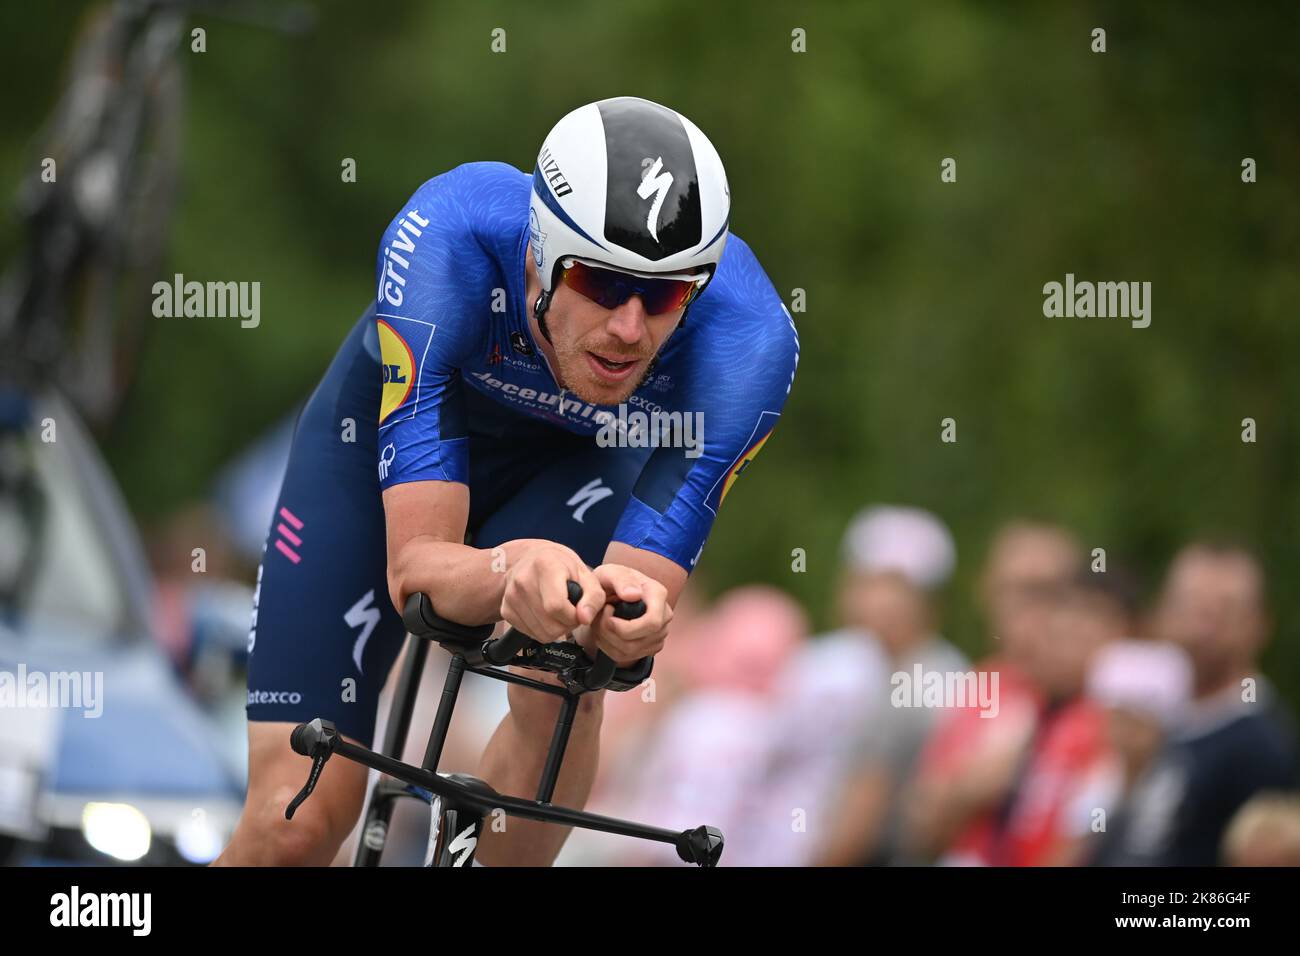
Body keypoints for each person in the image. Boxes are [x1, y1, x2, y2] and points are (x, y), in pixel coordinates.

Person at [215, 97, 800, 866]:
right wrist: (510, 565)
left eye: (664, 295)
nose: (629, 328)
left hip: (585, 464)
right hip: (387, 446)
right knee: (294, 823)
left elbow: (631, 603)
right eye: (600, 283)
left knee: (575, 662)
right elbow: (416, 567)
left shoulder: (749, 339)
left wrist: (629, 623)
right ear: (541, 253)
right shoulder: (448, 235)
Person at [1098, 542, 1298, 865]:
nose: (1201, 628)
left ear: (1259, 625)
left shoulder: (1263, 747)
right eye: (1188, 606)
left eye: (1224, 612)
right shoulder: (1150, 721)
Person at [902, 521, 1080, 864]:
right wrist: (970, 789)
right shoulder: (983, 682)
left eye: (1044, 591)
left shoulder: (1093, 695)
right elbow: (919, 826)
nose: (1025, 607)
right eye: (1010, 589)